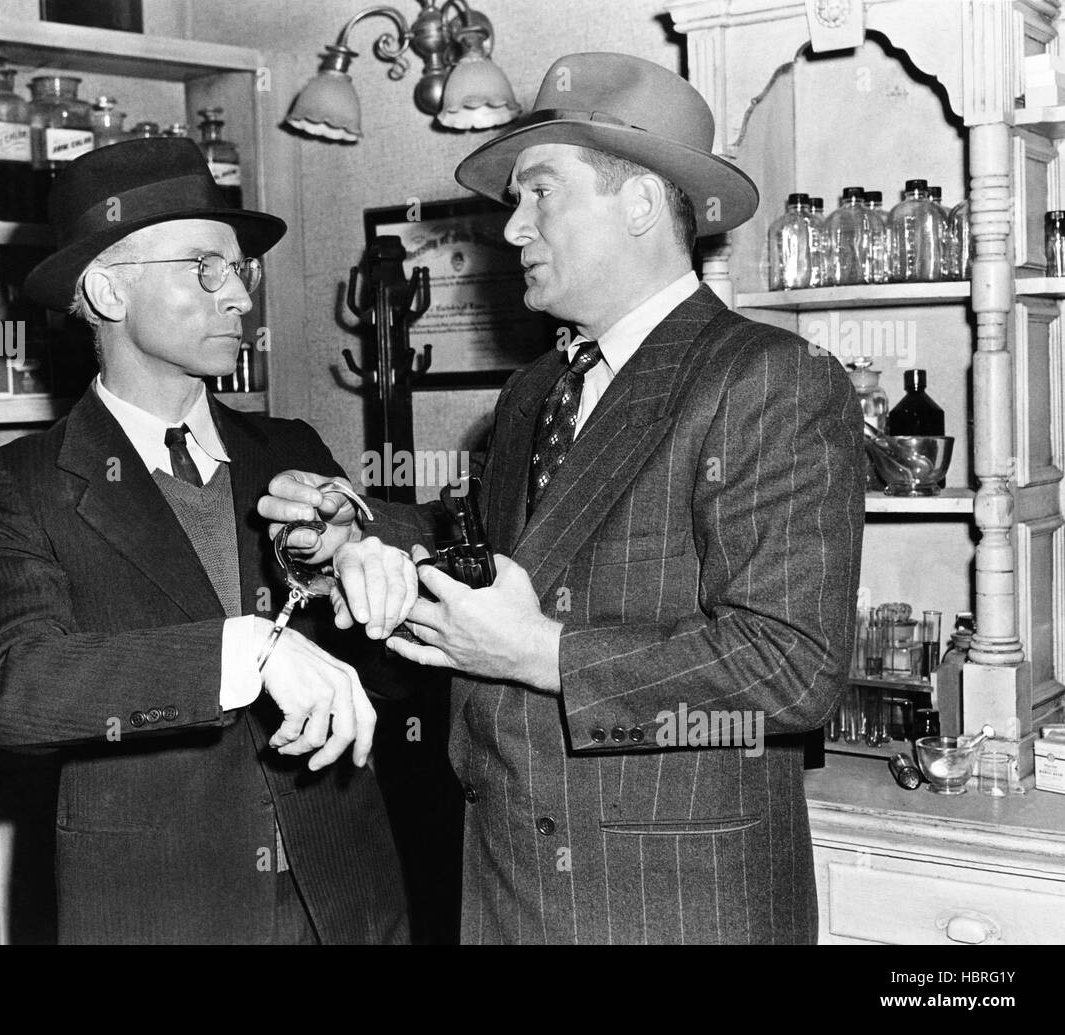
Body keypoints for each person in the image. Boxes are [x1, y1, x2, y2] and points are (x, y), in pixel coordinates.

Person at [260, 53, 864, 944]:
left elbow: (793, 668)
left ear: (641, 203)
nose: (512, 230)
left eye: (540, 192)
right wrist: (355, 526)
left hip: (670, 907)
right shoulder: (537, 389)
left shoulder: (768, 377)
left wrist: (542, 652)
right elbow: (501, 553)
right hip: (506, 884)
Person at [0, 137, 409, 945]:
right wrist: (247, 652)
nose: (238, 296)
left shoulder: (293, 450)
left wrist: (362, 578)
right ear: (105, 291)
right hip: (160, 914)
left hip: (347, 903)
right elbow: (6, 687)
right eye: (203, 266)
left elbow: (390, 679)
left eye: (241, 270)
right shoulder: (17, 485)